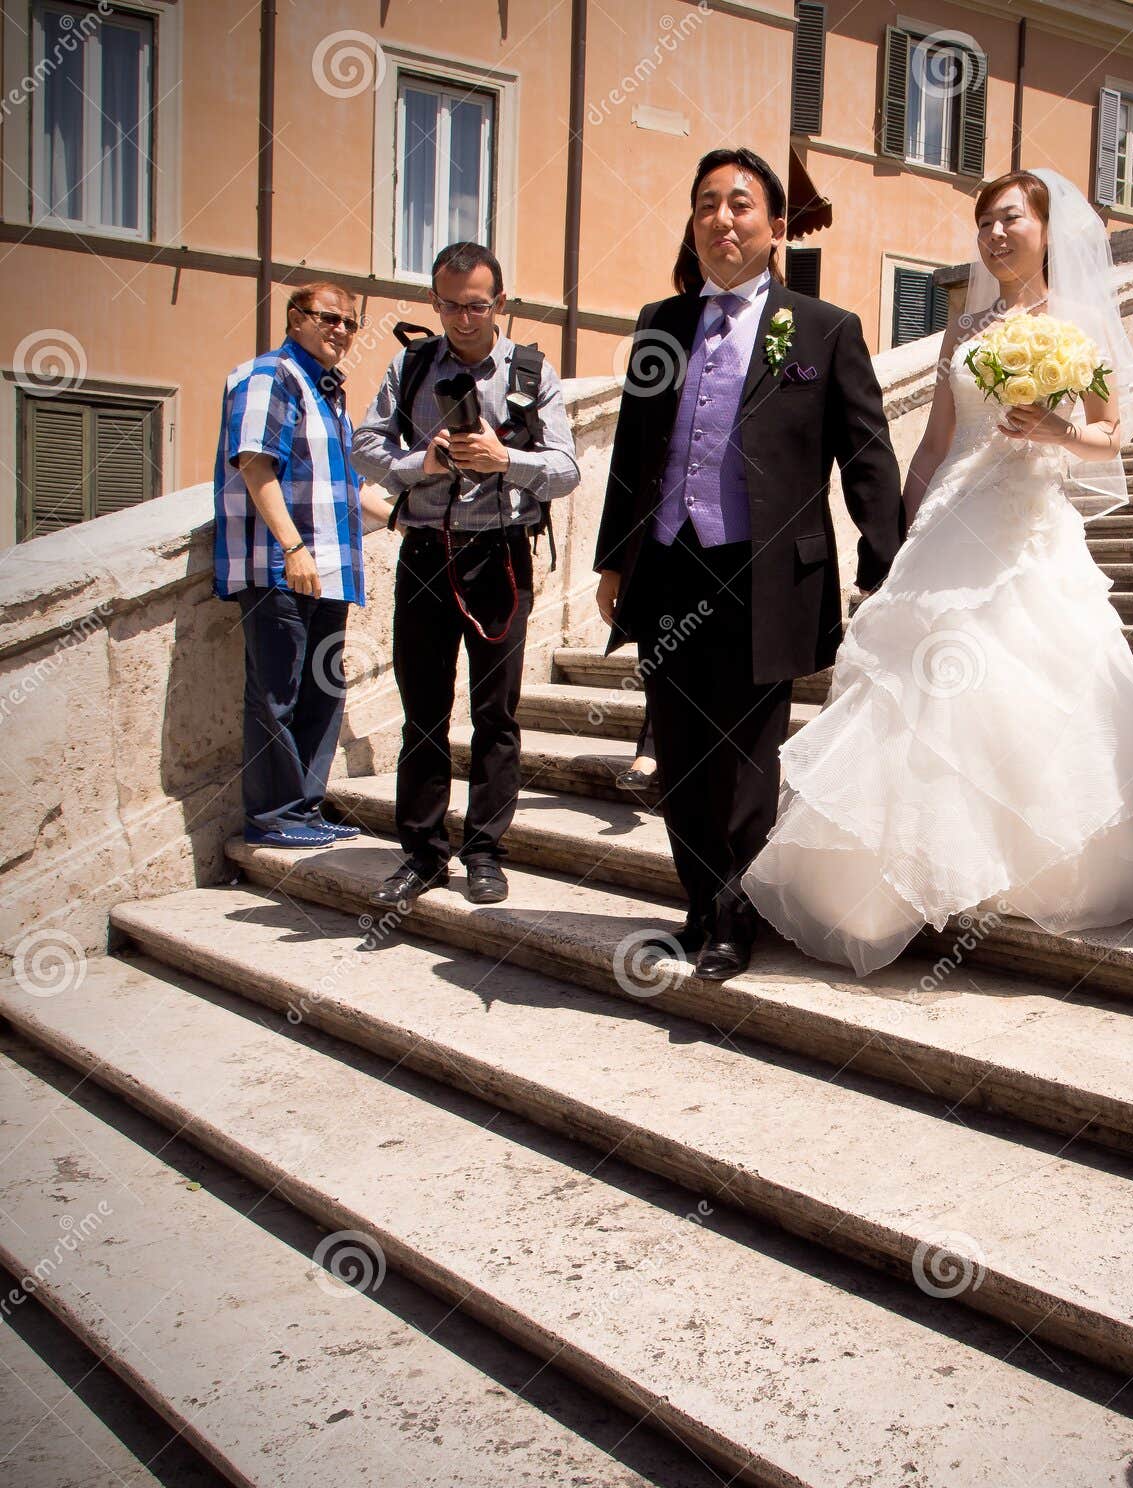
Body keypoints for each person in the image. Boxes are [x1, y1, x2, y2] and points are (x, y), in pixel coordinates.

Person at [744, 168, 1133, 978]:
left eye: (1011, 220)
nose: (996, 235)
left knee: (1011, 687)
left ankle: (1008, 862)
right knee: (917, 686)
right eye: (986, 221)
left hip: (1029, 526)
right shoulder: (963, 332)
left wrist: (1059, 429)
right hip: (952, 522)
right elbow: (934, 443)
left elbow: (1112, 435)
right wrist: (897, 532)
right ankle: (922, 867)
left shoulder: (1074, 326)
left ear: (1045, 230)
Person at [594, 147, 904, 981]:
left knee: (744, 761)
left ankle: (735, 916)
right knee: (682, 752)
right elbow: (633, 449)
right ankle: (697, 904)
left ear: (773, 227)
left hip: (764, 577)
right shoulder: (661, 323)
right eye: (706, 205)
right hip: (666, 568)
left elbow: (865, 452)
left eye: (739, 204)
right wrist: (611, 563)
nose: (721, 219)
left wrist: (885, 557)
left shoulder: (824, 328)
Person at [353, 242, 579, 908]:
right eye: (449, 304)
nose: (462, 318)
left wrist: (504, 458)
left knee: (495, 714)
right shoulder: (411, 364)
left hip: (502, 558)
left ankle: (483, 851)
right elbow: (364, 446)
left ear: (499, 302)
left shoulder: (533, 372)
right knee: (423, 714)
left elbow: (566, 469)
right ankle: (423, 853)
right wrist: (415, 465)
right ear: (435, 301)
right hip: (427, 552)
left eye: (476, 304)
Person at [214, 283, 391, 848]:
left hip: (332, 571)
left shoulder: (328, 393)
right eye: (328, 318)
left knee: (321, 691)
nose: (340, 330)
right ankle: (272, 817)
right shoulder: (268, 376)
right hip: (281, 566)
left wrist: (416, 518)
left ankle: (306, 810)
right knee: (276, 692)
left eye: (349, 323)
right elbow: (254, 463)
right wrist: (293, 549)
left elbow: (349, 488)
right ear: (295, 319)